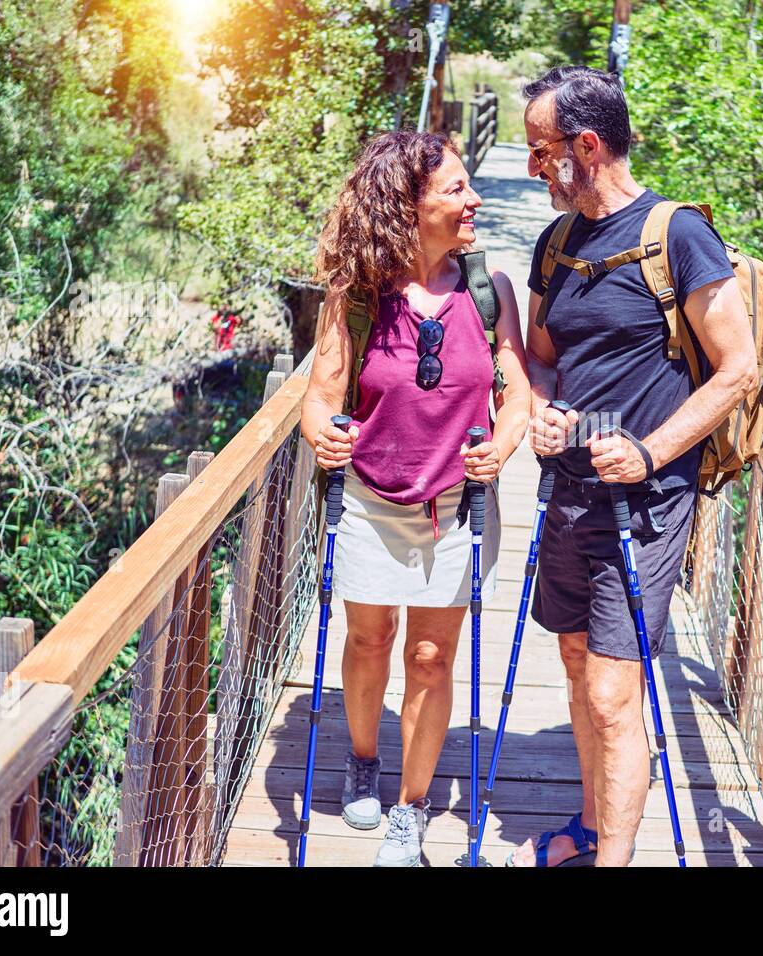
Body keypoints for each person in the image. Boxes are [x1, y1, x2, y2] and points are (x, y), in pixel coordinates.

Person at [508, 66, 759, 867]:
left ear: (588, 145)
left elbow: (738, 369)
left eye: (542, 151)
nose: (531, 168)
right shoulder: (558, 245)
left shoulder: (678, 234)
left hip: (648, 502)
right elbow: (544, 358)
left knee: (616, 695)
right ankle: (589, 829)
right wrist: (541, 406)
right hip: (570, 496)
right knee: (580, 666)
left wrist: (650, 450)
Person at [301, 130, 531, 867]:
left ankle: (411, 806)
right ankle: (364, 760)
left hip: (458, 504)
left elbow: (518, 393)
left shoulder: (490, 294)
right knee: (370, 640)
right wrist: (322, 436)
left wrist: (506, 444)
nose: (475, 200)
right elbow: (319, 398)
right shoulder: (358, 295)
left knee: (432, 657)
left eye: (469, 185)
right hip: (370, 498)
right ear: (409, 206)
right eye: (457, 190)